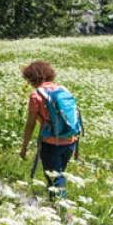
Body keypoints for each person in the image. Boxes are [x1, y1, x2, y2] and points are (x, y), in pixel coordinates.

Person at [18, 60, 81, 193]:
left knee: (55, 180)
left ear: (32, 78)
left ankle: (61, 211)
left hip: (51, 144)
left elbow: (30, 125)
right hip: (70, 142)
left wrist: (24, 147)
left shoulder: (36, 96)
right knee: (57, 175)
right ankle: (53, 206)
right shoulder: (63, 90)